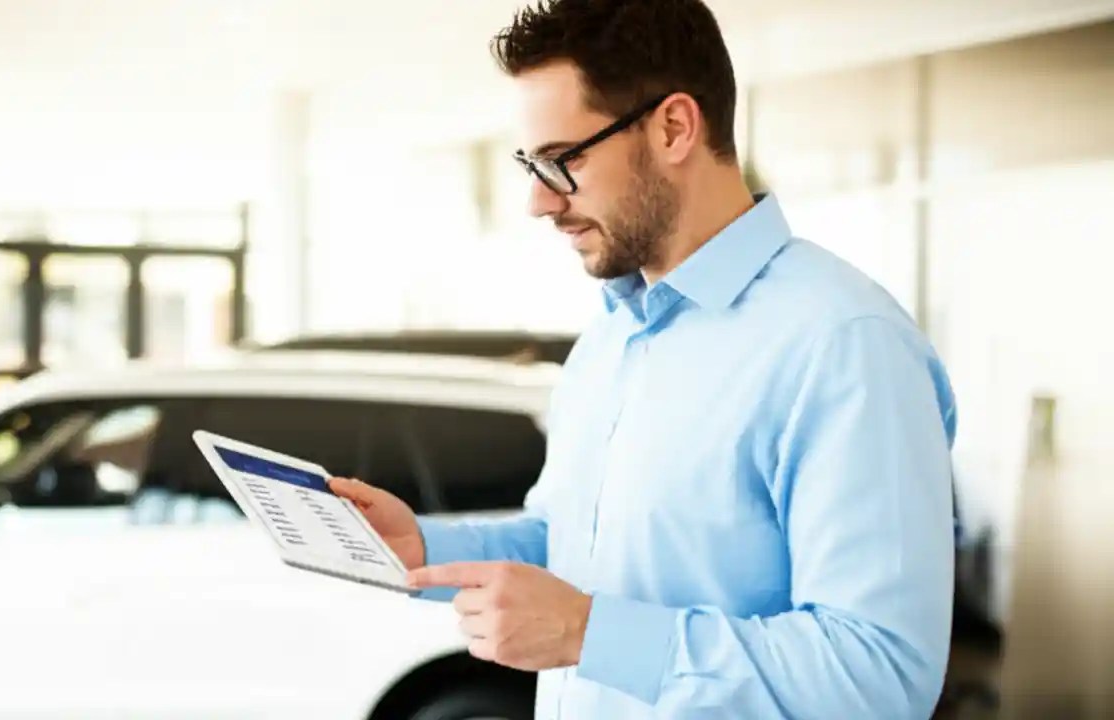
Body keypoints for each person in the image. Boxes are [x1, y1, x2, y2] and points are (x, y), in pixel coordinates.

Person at [330, 0, 957, 717]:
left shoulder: (845, 344)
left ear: (674, 127)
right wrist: (421, 545)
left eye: (564, 161)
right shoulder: (610, 340)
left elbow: (877, 676)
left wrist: (589, 632)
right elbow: (569, 544)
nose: (538, 201)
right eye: (530, 164)